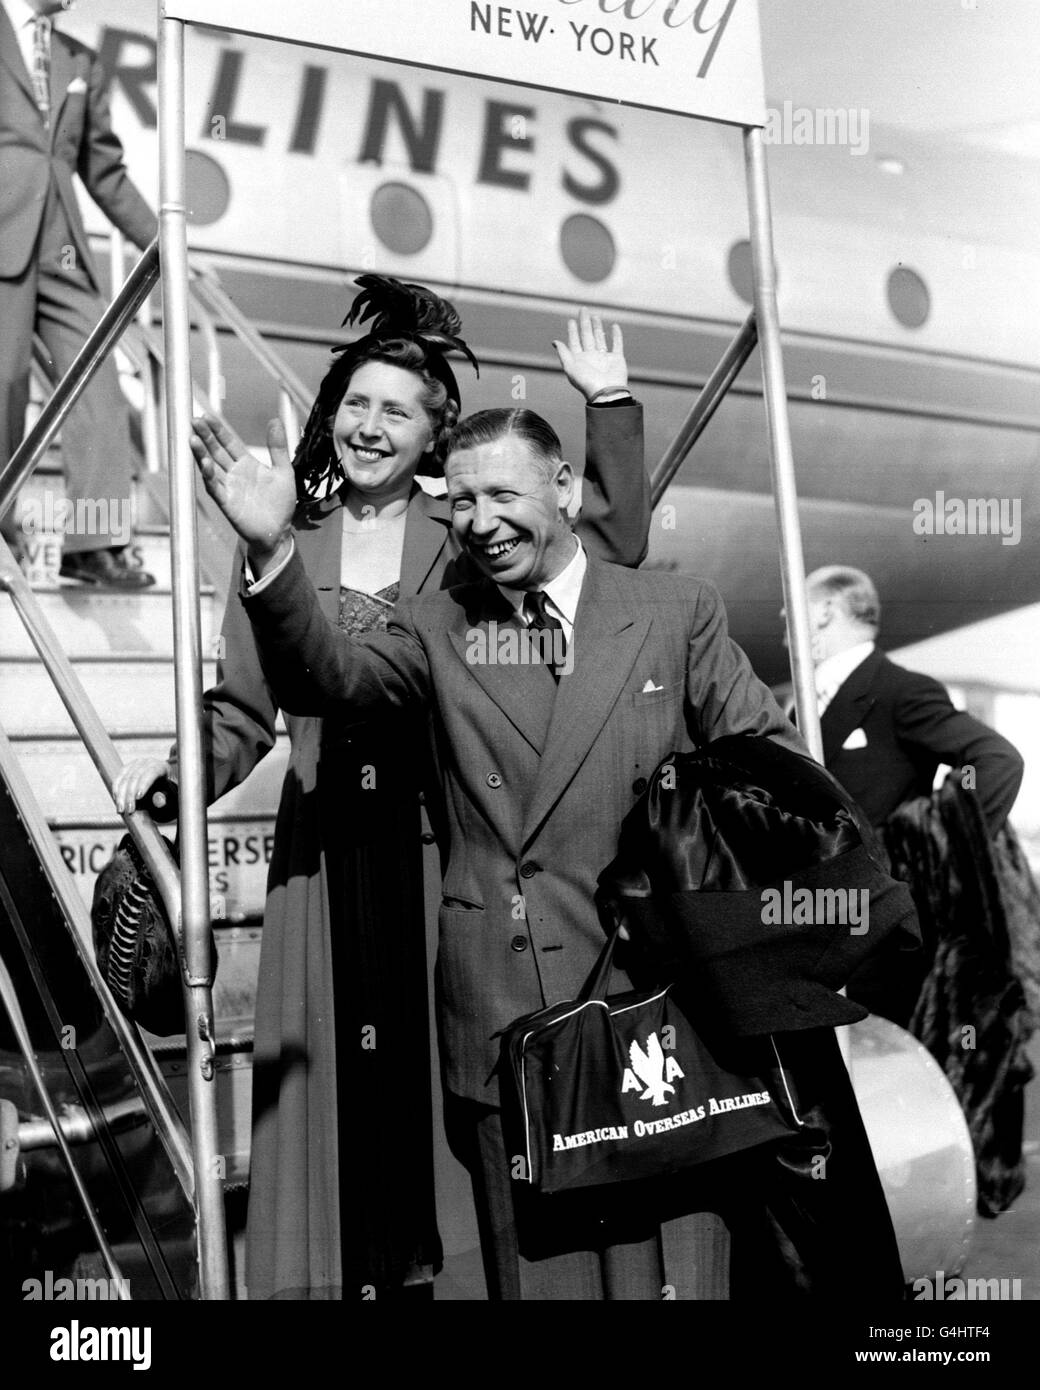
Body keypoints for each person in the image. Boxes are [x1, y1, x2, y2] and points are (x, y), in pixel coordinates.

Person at [186, 403, 902, 1300]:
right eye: (461, 501)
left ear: (564, 489)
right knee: (543, 1284)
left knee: (677, 1280)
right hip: (512, 1022)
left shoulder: (674, 612)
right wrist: (272, 555)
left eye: (502, 495)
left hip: (663, 1016)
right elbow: (331, 676)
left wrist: (774, 921)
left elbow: (779, 778)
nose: (480, 524)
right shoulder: (436, 625)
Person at [115, 279, 650, 1299]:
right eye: (356, 404)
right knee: (334, 1112)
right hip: (319, 859)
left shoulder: (463, 533)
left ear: (433, 436)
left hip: (432, 848)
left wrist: (609, 408)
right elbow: (241, 709)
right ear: (331, 415)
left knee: (432, 1106)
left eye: (396, 411)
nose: (369, 425)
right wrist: (178, 788)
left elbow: (608, 552)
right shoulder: (285, 531)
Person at [793, 564, 1024, 1023]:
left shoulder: (900, 691)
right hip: (808, 934)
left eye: (789, 618)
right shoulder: (798, 702)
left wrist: (936, 850)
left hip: (879, 946)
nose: (786, 636)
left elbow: (997, 760)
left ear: (823, 613)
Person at [0, 0, 156, 587]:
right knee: (3, 384)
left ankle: (94, 543)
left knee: (97, 379)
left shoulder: (78, 58)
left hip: (61, 244)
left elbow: (105, 170)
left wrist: (168, 244)